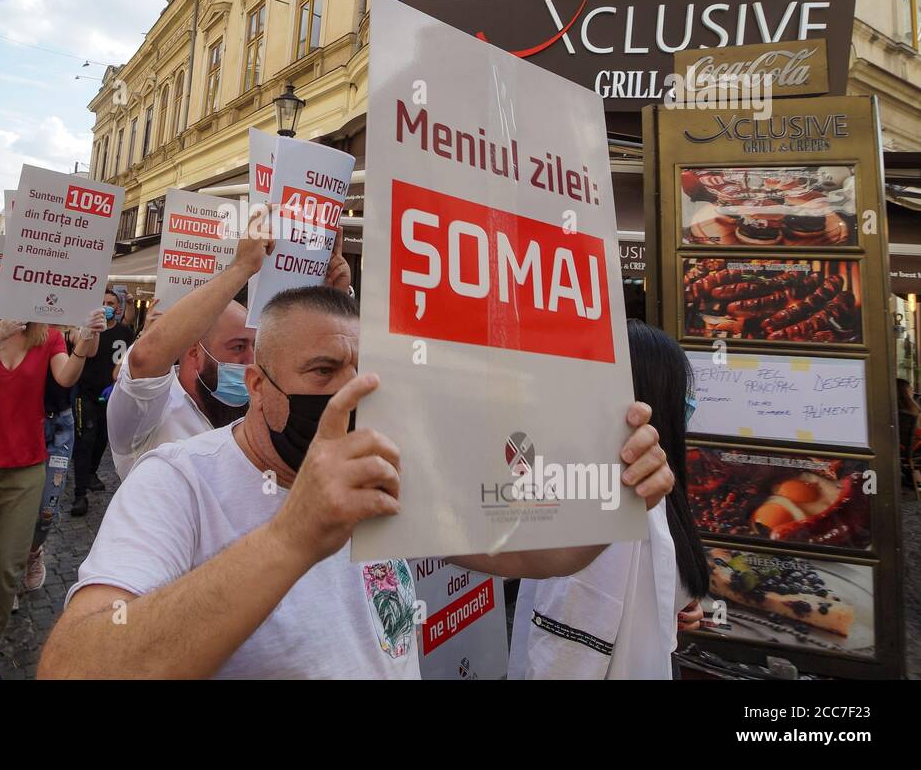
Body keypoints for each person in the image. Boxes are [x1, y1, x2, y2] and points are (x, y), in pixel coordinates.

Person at [38, 286, 674, 679]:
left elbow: (536, 555)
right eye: (322, 370)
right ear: (258, 386)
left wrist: (615, 499)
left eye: (361, 369)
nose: (351, 388)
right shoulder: (177, 482)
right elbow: (75, 665)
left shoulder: (388, 472)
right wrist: (294, 534)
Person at [507, 319, 710, 679]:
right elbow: (564, 654)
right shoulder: (608, 495)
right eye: (681, 393)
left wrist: (676, 604)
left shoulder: (653, 487)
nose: (688, 405)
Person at [106, 211, 350, 478]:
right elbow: (145, 358)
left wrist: (330, 297)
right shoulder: (149, 416)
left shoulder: (257, 404)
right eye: (237, 347)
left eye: (253, 348)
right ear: (194, 351)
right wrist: (241, 267)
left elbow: (316, 369)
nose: (250, 361)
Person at [0, 309, 105, 680]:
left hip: (25, 465)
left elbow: (65, 377)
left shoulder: (48, 337)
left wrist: (85, 341)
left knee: (9, 564)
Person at [68, 289, 134, 517]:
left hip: (111, 394)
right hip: (84, 393)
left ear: (117, 307)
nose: (106, 306)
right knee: (84, 440)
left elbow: (126, 360)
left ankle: (92, 473)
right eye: (102, 302)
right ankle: (79, 493)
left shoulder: (125, 332)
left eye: (110, 303)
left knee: (102, 439)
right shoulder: (85, 330)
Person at [24, 363, 76, 592]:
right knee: (13, 504)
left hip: (59, 424)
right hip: (21, 421)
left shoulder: (65, 335)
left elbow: (87, 351)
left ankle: (33, 553)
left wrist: (85, 336)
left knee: (47, 509)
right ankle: (9, 572)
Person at [897, 378, 920, 489]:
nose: (912, 390)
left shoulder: (894, 413)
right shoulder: (914, 410)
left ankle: (913, 478)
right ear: (906, 392)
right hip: (912, 449)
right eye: (910, 388)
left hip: (899, 449)